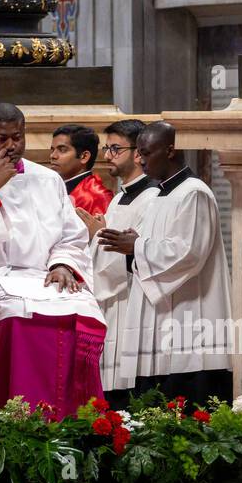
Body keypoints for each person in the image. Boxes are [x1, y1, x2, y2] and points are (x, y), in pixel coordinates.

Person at [0, 102, 104, 416]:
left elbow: (71, 236)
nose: (11, 146)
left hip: (41, 276)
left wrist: (63, 264)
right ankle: (15, 416)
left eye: (17, 137)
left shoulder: (48, 180)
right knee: (16, 312)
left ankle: (73, 419)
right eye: (1, 139)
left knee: (82, 308)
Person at [96, 120, 233, 406]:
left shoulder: (194, 193)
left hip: (190, 321)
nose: (141, 160)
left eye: (147, 153)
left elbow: (188, 253)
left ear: (169, 151)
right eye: (140, 153)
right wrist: (132, 246)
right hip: (161, 323)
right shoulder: (160, 196)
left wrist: (136, 246)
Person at [86, 120, 161, 404]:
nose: (106, 156)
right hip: (111, 306)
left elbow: (135, 258)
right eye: (107, 148)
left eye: (115, 149)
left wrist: (97, 236)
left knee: (128, 396)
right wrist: (97, 237)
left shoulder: (153, 198)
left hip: (132, 304)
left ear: (138, 154)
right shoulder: (118, 198)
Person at [49, 124, 113, 221]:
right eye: (52, 150)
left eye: (62, 150)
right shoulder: (51, 188)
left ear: (84, 156)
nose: (53, 156)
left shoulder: (98, 197)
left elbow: (101, 234)